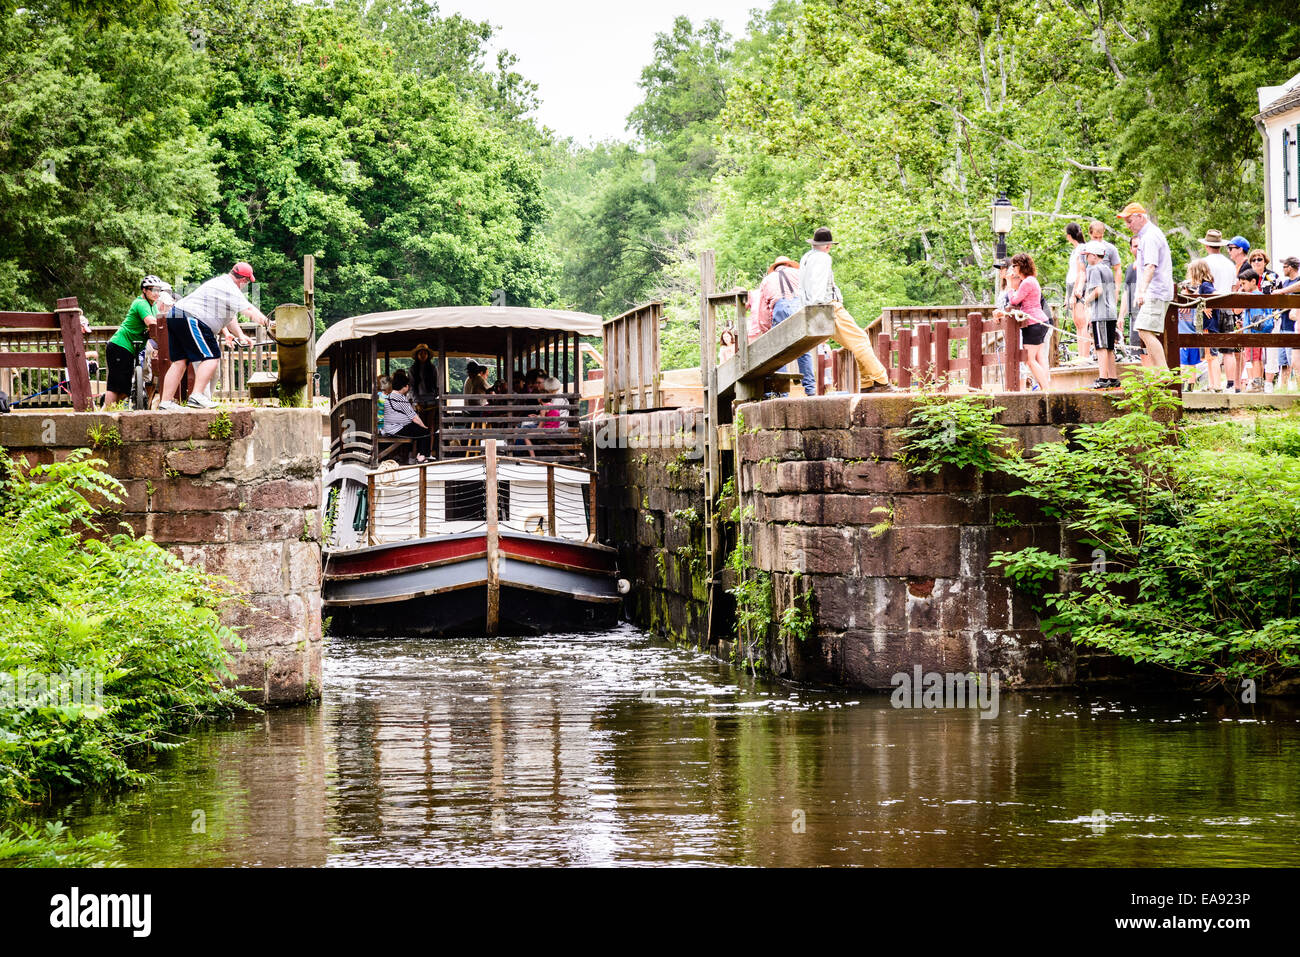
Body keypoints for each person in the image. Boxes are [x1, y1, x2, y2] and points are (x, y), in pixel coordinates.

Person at [159, 263, 269, 410]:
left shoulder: (220, 283)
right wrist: (268, 323)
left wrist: (241, 335)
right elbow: (249, 310)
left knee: (180, 361)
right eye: (247, 282)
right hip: (191, 317)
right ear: (243, 280)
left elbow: (230, 318)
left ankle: (165, 403)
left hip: (176, 315)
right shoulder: (230, 288)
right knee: (211, 357)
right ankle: (197, 396)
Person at [799, 227, 896, 393]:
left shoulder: (806, 258)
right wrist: (824, 307)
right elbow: (818, 287)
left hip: (814, 309)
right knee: (860, 340)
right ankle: (881, 381)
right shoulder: (823, 258)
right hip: (829, 306)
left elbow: (805, 288)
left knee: (858, 342)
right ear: (828, 245)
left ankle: (867, 383)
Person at [1119, 202, 1173, 369]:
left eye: (1129, 221)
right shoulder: (1146, 236)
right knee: (1145, 331)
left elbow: (1151, 266)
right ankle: (1159, 374)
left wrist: (1141, 291)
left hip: (1156, 292)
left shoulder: (1150, 236)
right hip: (1155, 292)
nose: (1128, 225)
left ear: (1140, 217)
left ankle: (1163, 373)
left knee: (1143, 330)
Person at [104, 275, 172, 407]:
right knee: (115, 386)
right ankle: (105, 414)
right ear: (144, 290)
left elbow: (159, 322)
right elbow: (152, 322)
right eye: (152, 289)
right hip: (120, 345)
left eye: (158, 290)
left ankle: (109, 410)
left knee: (125, 388)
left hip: (130, 349)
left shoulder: (152, 306)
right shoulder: (141, 303)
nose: (156, 293)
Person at [994, 252, 1052, 391]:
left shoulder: (1027, 282)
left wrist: (1009, 284)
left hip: (1034, 323)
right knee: (1034, 359)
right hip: (1036, 322)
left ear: (1021, 266)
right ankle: (1046, 388)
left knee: (1029, 360)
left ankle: (1046, 389)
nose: (1013, 268)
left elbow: (1014, 300)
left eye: (1015, 265)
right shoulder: (1031, 281)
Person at [1083, 241, 1119, 388]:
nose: (1086, 258)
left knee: (1101, 346)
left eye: (1087, 255)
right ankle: (1113, 378)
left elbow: (1098, 291)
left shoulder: (1093, 269)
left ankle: (1103, 379)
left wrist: (1087, 300)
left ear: (1093, 256)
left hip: (1101, 313)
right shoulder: (1108, 269)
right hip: (1111, 312)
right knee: (1110, 346)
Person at [1177, 260, 1214, 390]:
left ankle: (1189, 385)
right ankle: (1184, 384)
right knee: (1183, 362)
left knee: (1190, 363)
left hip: (1191, 333)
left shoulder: (1200, 294)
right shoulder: (1183, 300)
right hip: (1182, 333)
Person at [381, 368, 430, 462]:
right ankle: (422, 457)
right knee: (424, 432)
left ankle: (417, 455)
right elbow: (414, 417)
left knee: (418, 430)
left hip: (390, 428)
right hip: (397, 429)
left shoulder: (390, 396)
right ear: (405, 386)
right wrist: (424, 426)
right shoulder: (400, 398)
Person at [1237, 268, 1273, 392]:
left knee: (1253, 358)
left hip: (1253, 333)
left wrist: (1239, 294)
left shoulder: (1253, 297)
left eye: (1244, 284)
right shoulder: (1260, 296)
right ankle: (1257, 381)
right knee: (1256, 357)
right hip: (1257, 332)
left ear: (1253, 281)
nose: (1242, 287)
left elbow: (1237, 310)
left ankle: (1255, 381)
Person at [1117, 236, 1148, 366]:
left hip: (1148, 313)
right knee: (1135, 350)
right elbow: (1126, 292)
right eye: (1135, 246)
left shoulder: (1150, 266)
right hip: (1134, 315)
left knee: (1149, 348)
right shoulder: (1130, 268)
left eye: (1140, 246)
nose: (1138, 249)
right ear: (1131, 249)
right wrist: (1121, 317)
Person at [1064, 222, 1089, 359]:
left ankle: (1084, 355)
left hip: (1079, 286)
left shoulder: (1082, 249)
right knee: (1077, 322)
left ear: (1069, 236)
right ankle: (1080, 355)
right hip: (1071, 284)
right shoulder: (1075, 250)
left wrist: (1074, 292)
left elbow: (1081, 271)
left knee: (1082, 321)